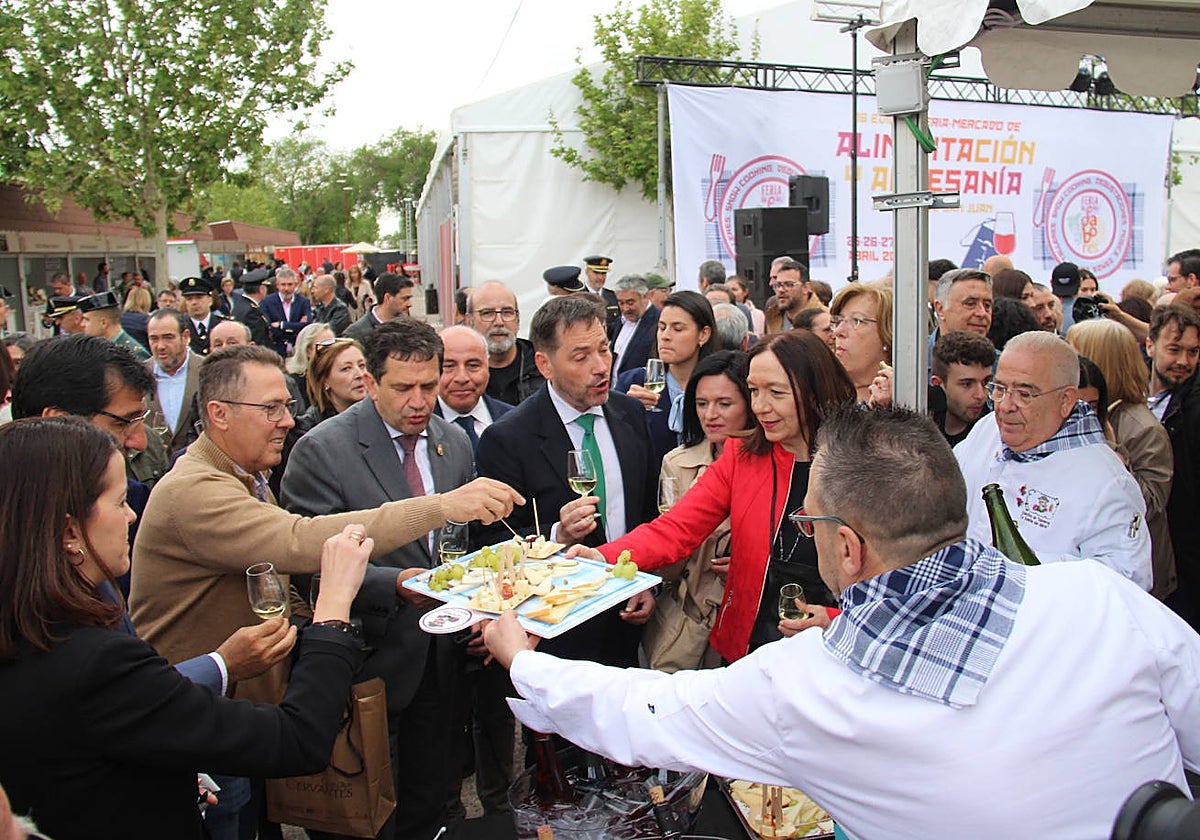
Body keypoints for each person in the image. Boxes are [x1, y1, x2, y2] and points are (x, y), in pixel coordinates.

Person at [485, 403, 1200, 840]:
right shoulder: (1098, 597)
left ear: (848, 548)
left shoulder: (810, 688)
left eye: (814, 523)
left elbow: (645, 711)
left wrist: (522, 659)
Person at [0, 416, 377, 840]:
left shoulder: (28, 633)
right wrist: (332, 609)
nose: (130, 516)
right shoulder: (96, 661)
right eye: (120, 501)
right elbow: (296, 739)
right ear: (71, 530)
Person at [282, 322, 475, 840]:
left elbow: (457, 542)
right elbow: (307, 562)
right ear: (370, 381)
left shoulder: (452, 442)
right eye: (403, 388)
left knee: (429, 796)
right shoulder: (321, 451)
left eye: (429, 387)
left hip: (444, 653)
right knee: (368, 814)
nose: (419, 402)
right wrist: (392, 583)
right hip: (369, 660)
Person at [570, 331, 856, 661]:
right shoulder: (744, 455)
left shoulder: (861, 461)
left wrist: (837, 622)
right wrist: (604, 559)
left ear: (815, 390)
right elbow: (676, 528)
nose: (760, 407)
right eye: (753, 391)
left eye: (776, 393)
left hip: (834, 646)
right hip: (751, 643)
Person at [476, 294, 657, 668]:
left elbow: (647, 514)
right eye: (580, 357)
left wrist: (647, 580)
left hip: (628, 615)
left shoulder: (630, 414)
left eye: (604, 350)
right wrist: (558, 535)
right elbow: (492, 544)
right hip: (557, 632)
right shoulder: (508, 438)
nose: (600, 366)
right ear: (545, 364)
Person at [954, 330, 1151, 590]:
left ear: (1066, 400)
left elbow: (1129, 581)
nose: (1004, 406)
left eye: (1025, 394)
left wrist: (1028, 569)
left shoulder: (1107, 482)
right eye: (999, 389)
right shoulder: (986, 430)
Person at [642, 350, 753, 672]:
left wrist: (753, 563)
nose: (711, 414)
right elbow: (664, 538)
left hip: (743, 619)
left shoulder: (771, 468)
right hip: (685, 617)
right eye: (702, 404)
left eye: (724, 404)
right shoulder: (676, 462)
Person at [1067, 319, 1175, 600]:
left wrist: (1113, 452)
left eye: (1073, 351)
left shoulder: (1143, 428)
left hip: (1134, 583)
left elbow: (1152, 504)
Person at [1145, 306, 1200, 628]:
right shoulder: (1136, 394)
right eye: (1174, 349)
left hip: (1185, 545)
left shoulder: (1192, 406)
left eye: (1193, 352)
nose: (1184, 361)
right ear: (1151, 345)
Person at [617, 290, 716, 469]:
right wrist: (625, 410)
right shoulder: (635, 382)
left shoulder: (718, 385)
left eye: (678, 329)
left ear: (703, 335)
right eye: (662, 327)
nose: (665, 336)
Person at [434, 325, 513, 459]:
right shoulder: (418, 429)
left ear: (487, 367)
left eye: (473, 366)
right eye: (449, 366)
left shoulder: (515, 421)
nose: (462, 378)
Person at [469, 280, 545, 405]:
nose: (499, 322)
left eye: (507, 312)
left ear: (518, 320)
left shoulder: (544, 369)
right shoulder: (456, 373)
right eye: (487, 313)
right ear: (469, 320)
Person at [146, 309, 201, 455]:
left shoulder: (207, 371)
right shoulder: (137, 375)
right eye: (154, 339)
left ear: (185, 336)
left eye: (168, 337)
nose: (160, 346)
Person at [830, 283, 892, 404]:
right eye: (839, 321)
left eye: (857, 321)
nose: (838, 331)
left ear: (887, 334)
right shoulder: (820, 396)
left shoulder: (911, 399)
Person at [930, 330, 994, 446]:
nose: (980, 395)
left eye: (986, 382)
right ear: (937, 383)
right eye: (967, 384)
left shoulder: (993, 436)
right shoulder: (916, 432)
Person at [299, 336, 369, 426]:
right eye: (346, 368)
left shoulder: (385, 415)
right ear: (324, 380)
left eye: (362, 366)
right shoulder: (309, 428)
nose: (360, 375)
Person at [78, 291, 151, 362]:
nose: (82, 324)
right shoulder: (100, 347)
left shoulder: (133, 354)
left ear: (103, 323)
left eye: (87, 320)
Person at [609, 274, 660, 375]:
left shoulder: (658, 321)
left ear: (645, 297)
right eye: (621, 303)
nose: (625, 308)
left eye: (630, 302)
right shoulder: (621, 321)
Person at [343, 273, 414, 344]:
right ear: (388, 297)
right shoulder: (356, 334)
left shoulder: (410, 327)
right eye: (405, 299)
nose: (410, 304)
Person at [285, 322, 336, 415]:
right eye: (326, 346)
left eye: (334, 345)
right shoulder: (293, 383)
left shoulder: (337, 376)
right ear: (308, 351)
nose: (332, 351)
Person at [260, 267, 312, 357]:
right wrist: (296, 325)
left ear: (295, 285)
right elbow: (268, 327)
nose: (286, 288)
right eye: (283, 285)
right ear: (277, 285)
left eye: (290, 284)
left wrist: (282, 325)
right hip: (276, 350)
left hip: (298, 349)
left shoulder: (303, 302)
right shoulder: (267, 302)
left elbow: (307, 325)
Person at [764, 257, 819, 334]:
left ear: (806, 287)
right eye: (778, 285)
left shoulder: (825, 318)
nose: (781, 290)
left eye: (789, 284)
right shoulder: (772, 316)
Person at [178, 276, 230, 356]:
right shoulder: (179, 326)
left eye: (199, 297)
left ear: (210, 300)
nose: (194, 302)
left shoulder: (223, 324)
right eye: (189, 299)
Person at [582, 254, 620, 330]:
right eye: (596, 273)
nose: (600, 277)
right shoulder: (579, 296)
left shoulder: (613, 296)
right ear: (587, 272)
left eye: (603, 273)